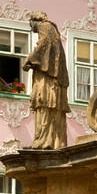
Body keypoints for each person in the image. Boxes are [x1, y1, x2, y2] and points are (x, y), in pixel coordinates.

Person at [23, 12, 70, 149]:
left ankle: (43, 141)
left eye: (30, 24)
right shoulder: (52, 29)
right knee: (49, 107)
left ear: (34, 21)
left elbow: (44, 43)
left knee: (43, 103)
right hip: (54, 76)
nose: (30, 28)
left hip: (48, 78)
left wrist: (30, 59)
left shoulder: (44, 26)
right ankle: (53, 140)